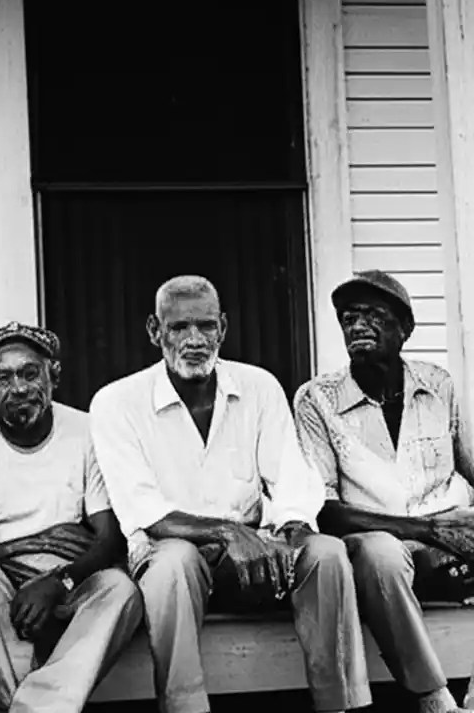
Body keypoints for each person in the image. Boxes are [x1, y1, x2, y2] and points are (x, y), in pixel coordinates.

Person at [90, 275, 371, 713]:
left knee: (327, 553)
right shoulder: (117, 401)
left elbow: (290, 474)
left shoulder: (258, 386)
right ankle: (185, 707)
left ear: (223, 327)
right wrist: (227, 533)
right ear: (153, 331)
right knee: (172, 565)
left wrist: (293, 526)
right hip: (172, 550)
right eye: (179, 328)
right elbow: (144, 511)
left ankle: (342, 704)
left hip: (254, 546)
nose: (195, 340)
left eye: (205, 326)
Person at [295, 270, 474, 713]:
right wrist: (428, 530)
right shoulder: (316, 399)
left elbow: (469, 461)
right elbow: (325, 510)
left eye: (374, 314)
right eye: (348, 316)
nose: (357, 325)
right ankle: (434, 697)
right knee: (383, 555)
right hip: (376, 538)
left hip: (450, 527)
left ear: (405, 329)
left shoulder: (439, 385)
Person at [0, 322, 142, 713]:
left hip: (73, 574)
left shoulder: (86, 429)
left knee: (121, 591)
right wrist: (37, 542)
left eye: (29, 373)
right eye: (2, 378)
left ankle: (32, 706)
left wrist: (60, 580)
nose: (18, 387)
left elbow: (109, 538)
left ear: (53, 375)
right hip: (3, 572)